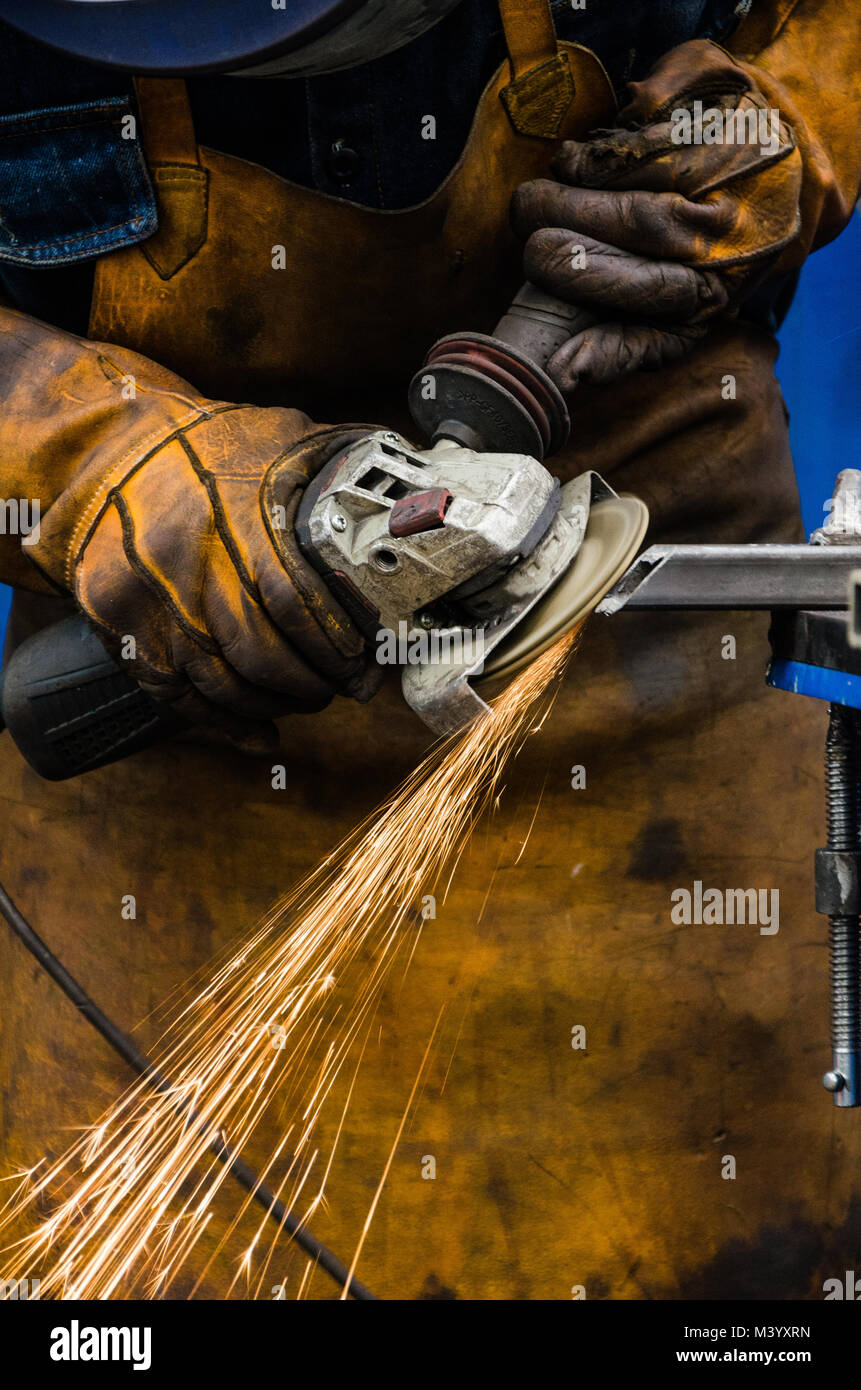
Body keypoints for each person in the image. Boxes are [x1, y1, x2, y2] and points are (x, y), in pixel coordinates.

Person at [0, 0, 858, 1298]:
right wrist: (102, 467)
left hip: (642, 669)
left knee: (739, 1269)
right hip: (182, 755)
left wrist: (790, 119)